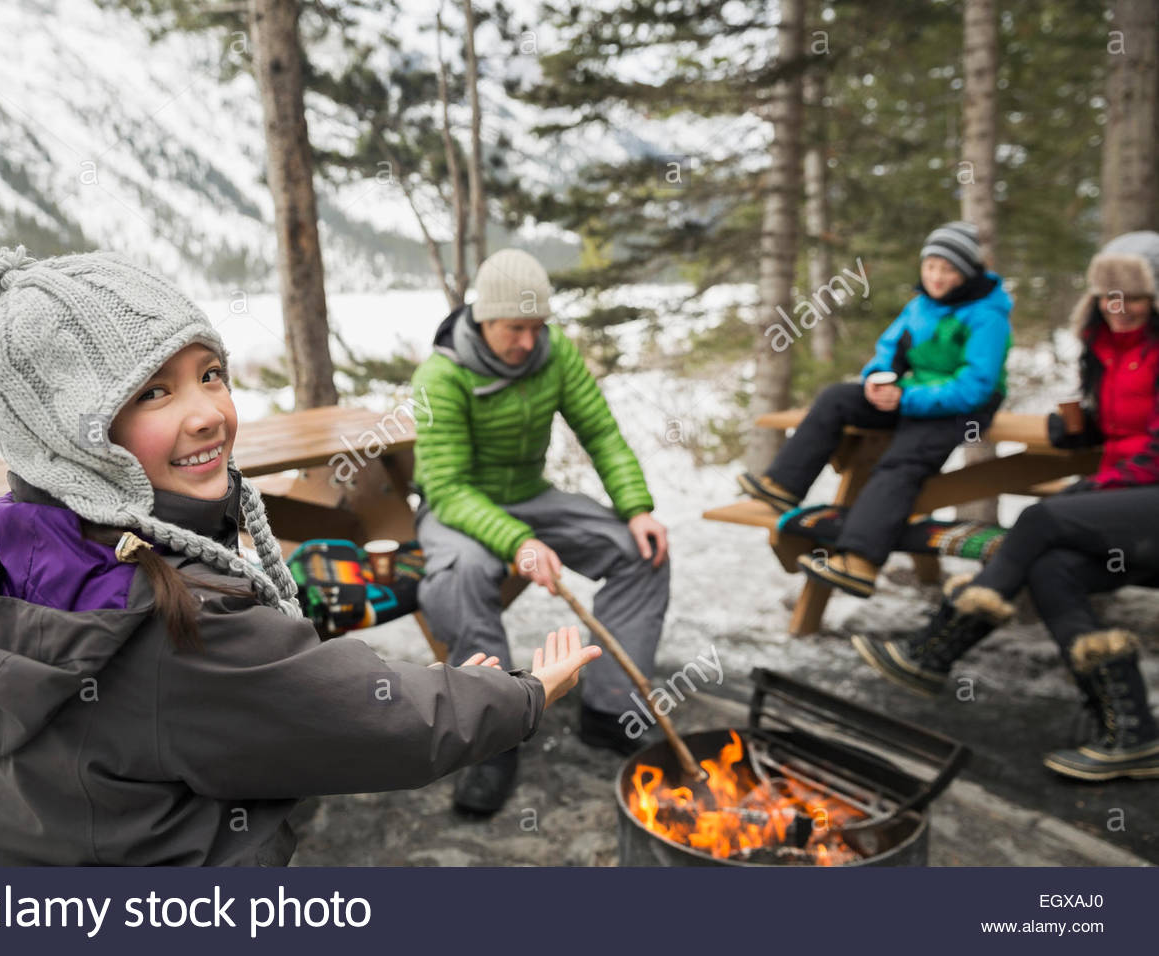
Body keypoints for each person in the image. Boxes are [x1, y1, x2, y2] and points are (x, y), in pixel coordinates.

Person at [0, 247, 600, 866]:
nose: (208, 411)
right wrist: (521, 695)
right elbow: (359, 718)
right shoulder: (170, 617)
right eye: (153, 391)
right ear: (67, 437)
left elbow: (255, 703)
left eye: (209, 373)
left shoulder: (12, 561)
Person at [851, 231, 1159, 781]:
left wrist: (1095, 489)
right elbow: (1125, 431)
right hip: (1131, 501)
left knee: (1042, 518)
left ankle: (939, 646)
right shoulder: (1107, 350)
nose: (1120, 310)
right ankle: (1132, 733)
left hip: (1147, 498)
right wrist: (1079, 428)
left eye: (1133, 298)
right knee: (1051, 566)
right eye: (1109, 297)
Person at [410, 248, 671, 815]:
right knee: (463, 573)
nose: (529, 342)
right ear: (483, 319)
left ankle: (609, 710)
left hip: (532, 494)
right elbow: (448, 487)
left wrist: (637, 506)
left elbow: (600, 433)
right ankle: (491, 734)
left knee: (640, 552)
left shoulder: (556, 358)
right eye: (515, 329)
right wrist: (519, 544)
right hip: (457, 505)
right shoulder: (441, 374)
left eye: (538, 327)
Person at [738, 222, 1013, 597]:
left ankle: (861, 562)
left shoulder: (987, 315)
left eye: (947, 269)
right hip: (911, 394)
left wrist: (906, 398)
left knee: (901, 461)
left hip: (963, 409)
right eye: (930, 266)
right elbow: (888, 350)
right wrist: (878, 380)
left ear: (966, 272)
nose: (936, 276)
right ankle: (782, 487)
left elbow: (975, 386)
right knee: (837, 398)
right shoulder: (919, 307)